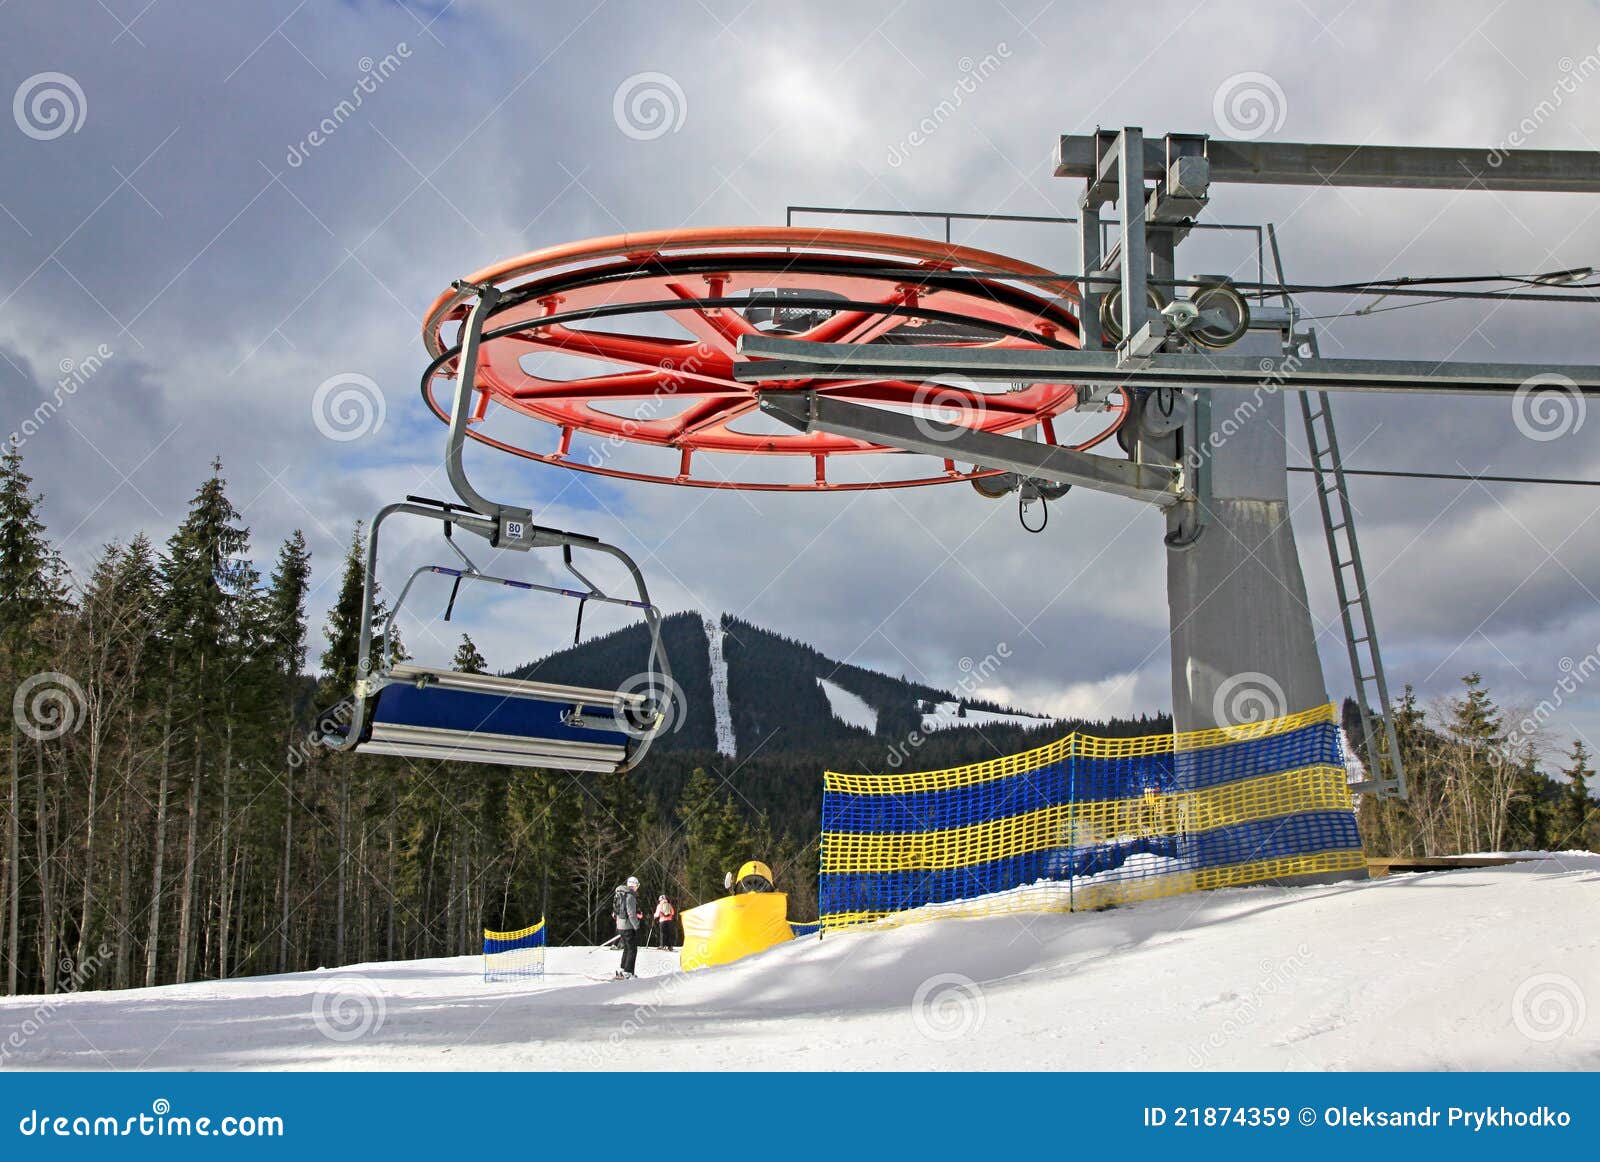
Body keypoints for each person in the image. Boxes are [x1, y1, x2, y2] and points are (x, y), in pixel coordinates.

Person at [612, 875, 643, 979]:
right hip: (627, 926)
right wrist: (637, 927)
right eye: (637, 885)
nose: (637, 888)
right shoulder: (630, 896)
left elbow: (615, 911)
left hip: (620, 926)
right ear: (633, 885)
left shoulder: (619, 893)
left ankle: (623, 968)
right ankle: (628, 972)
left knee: (627, 947)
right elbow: (631, 914)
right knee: (632, 949)